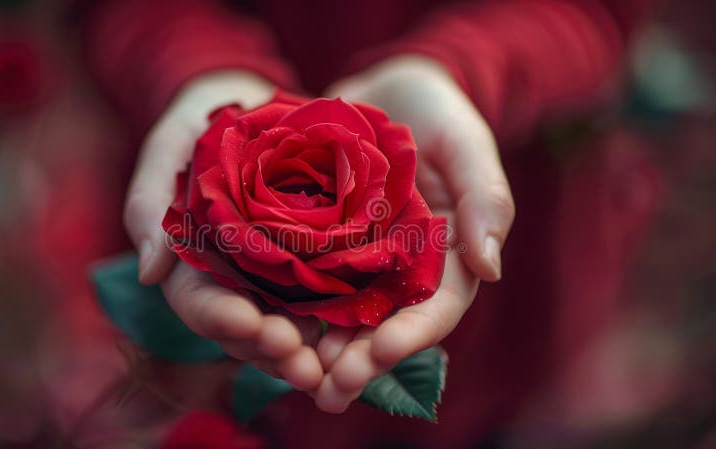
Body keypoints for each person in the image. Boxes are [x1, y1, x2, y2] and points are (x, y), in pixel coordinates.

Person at [78, 0, 655, 446]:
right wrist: (196, 72)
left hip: (501, 293)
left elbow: (600, 10)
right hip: (215, 345)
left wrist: (461, 71)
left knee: (482, 421)